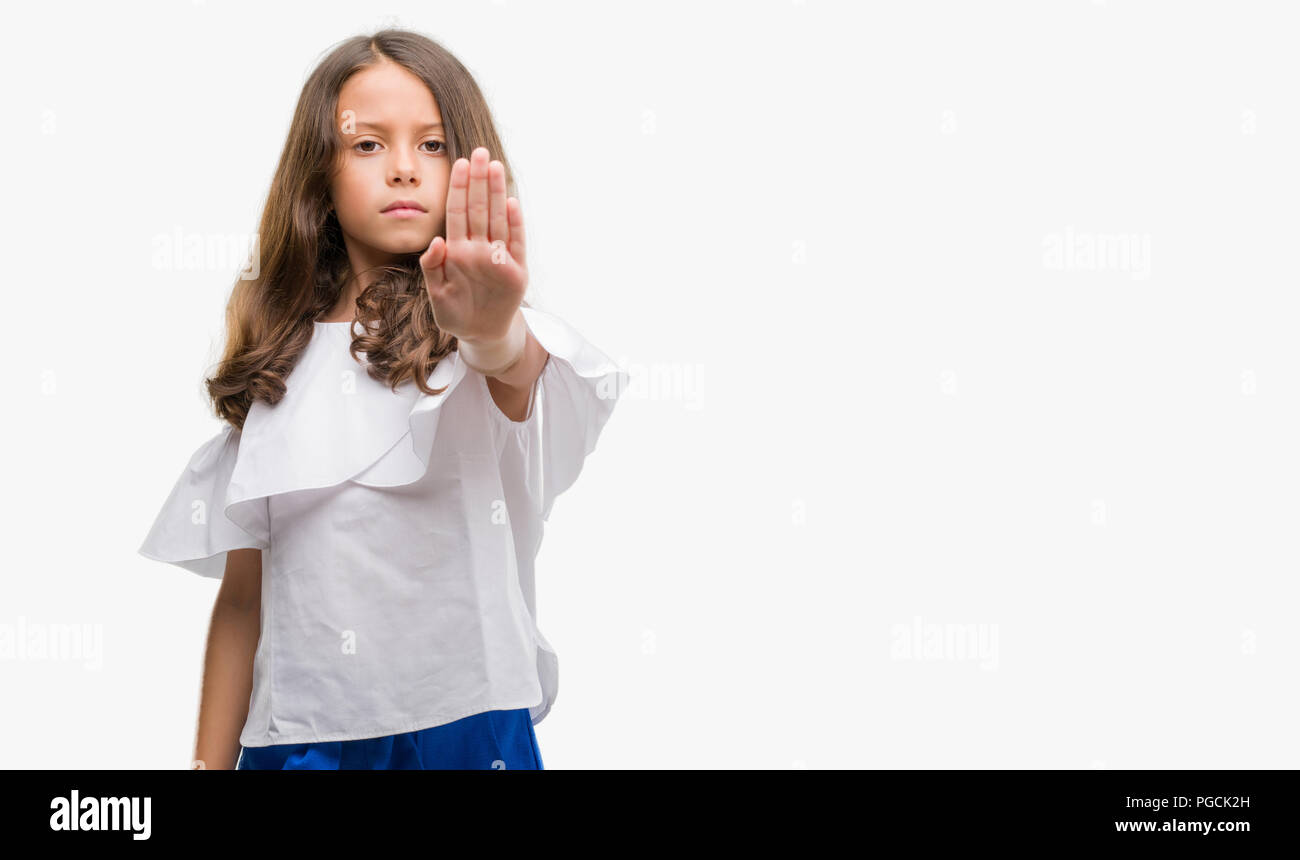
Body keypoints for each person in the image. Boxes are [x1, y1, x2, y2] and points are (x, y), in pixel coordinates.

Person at [137, 29, 627, 770]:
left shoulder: (479, 340)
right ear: (320, 176)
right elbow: (244, 602)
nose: (403, 168)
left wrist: (491, 329)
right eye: (368, 145)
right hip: (302, 741)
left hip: (467, 730)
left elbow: (514, 376)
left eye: (431, 145)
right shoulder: (279, 368)